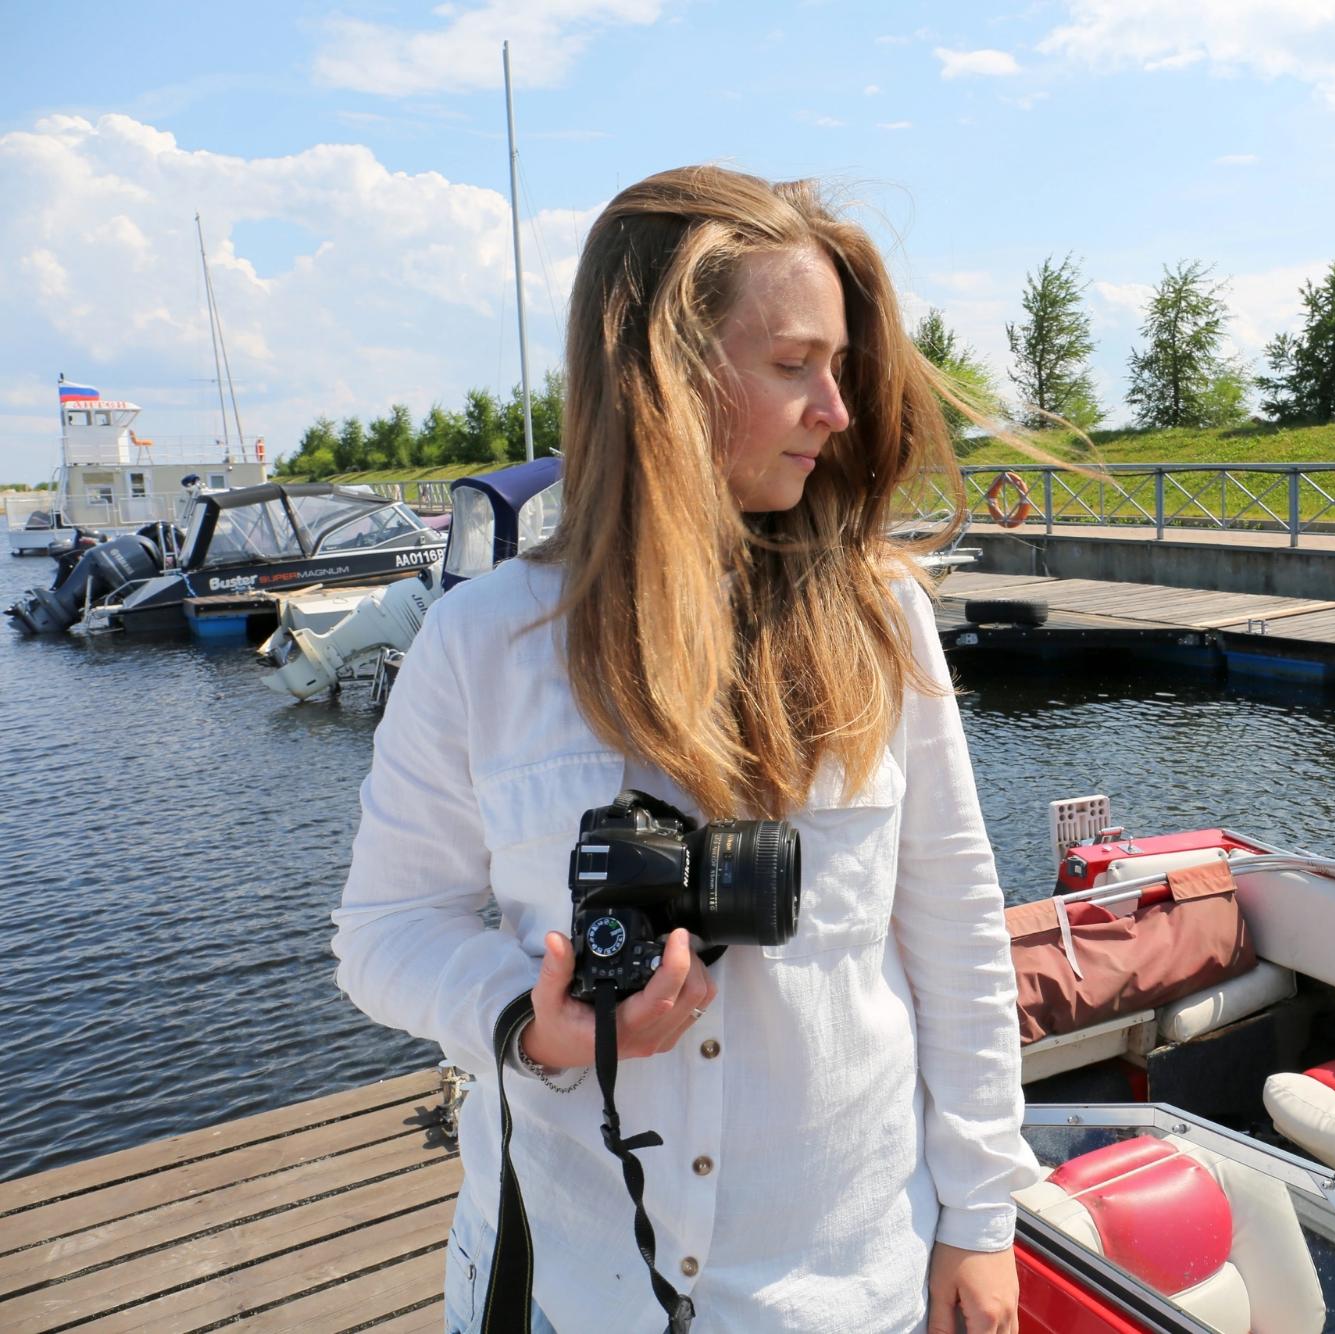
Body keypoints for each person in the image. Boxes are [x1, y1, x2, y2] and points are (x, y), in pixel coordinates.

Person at [332, 165, 1040, 1332]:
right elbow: (383, 931)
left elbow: (955, 930)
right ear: (658, 375)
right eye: (792, 363)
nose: (836, 410)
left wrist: (980, 1215)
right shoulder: (480, 643)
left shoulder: (884, 618)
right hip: (562, 1284)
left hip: (843, 1287)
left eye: (839, 365)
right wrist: (531, 1017)